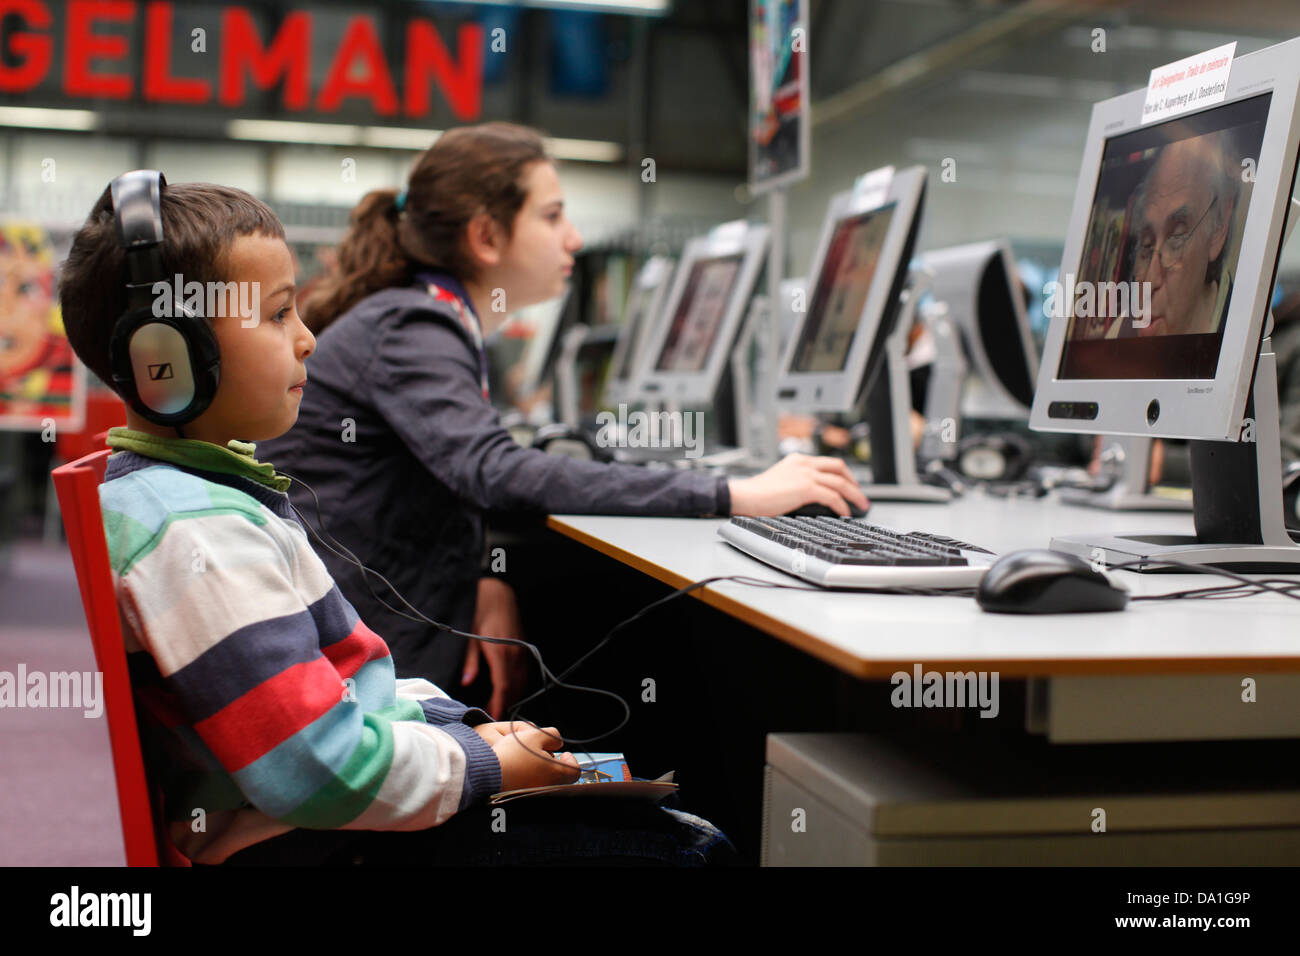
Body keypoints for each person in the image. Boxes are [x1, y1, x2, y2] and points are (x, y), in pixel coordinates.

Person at [58, 173, 731, 866]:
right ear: (162, 360)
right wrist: (485, 765)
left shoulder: (193, 496)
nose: (307, 339)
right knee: (688, 847)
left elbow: (343, 691)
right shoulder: (196, 533)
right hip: (310, 845)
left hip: (327, 820)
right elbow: (316, 771)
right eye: (279, 314)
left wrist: (468, 733)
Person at [261, 122, 868, 709]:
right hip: (361, 673)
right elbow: (494, 471)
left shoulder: (421, 318)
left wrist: (481, 574)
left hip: (372, 626)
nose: (573, 238)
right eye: (552, 216)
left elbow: (455, 473)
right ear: (487, 238)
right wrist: (733, 492)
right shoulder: (413, 325)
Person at [1111, 131, 1240, 339]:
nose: (1150, 282)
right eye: (1146, 243)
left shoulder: (1239, 334)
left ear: (1219, 226)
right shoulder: (1120, 330)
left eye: (1177, 237)